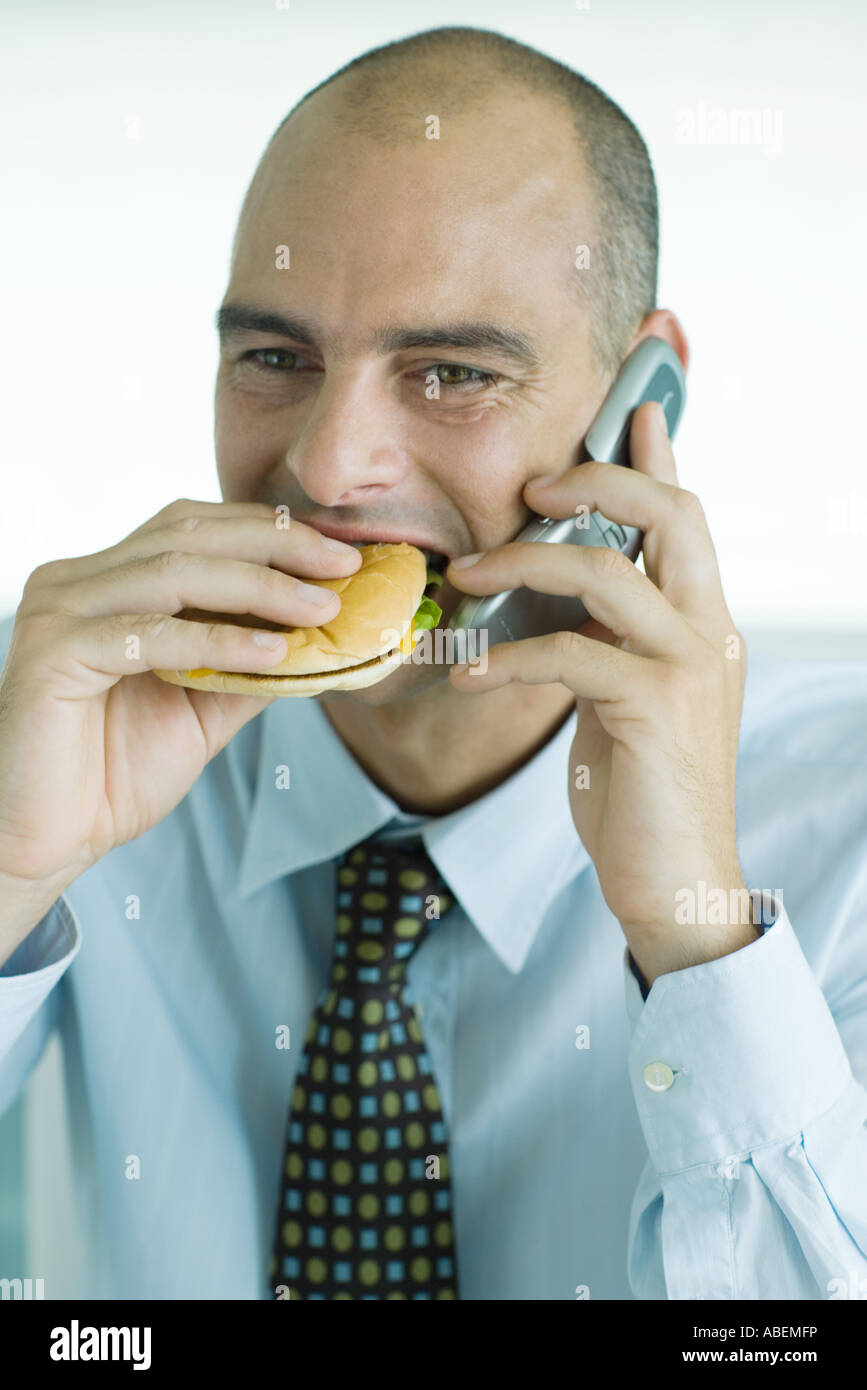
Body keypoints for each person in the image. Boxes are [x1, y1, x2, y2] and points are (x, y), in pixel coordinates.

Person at [1, 25, 865, 1301]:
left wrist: (697, 944)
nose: (329, 469)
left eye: (452, 372)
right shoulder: (48, 729)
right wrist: (13, 874)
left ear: (646, 396)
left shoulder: (844, 832)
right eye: (276, 359)